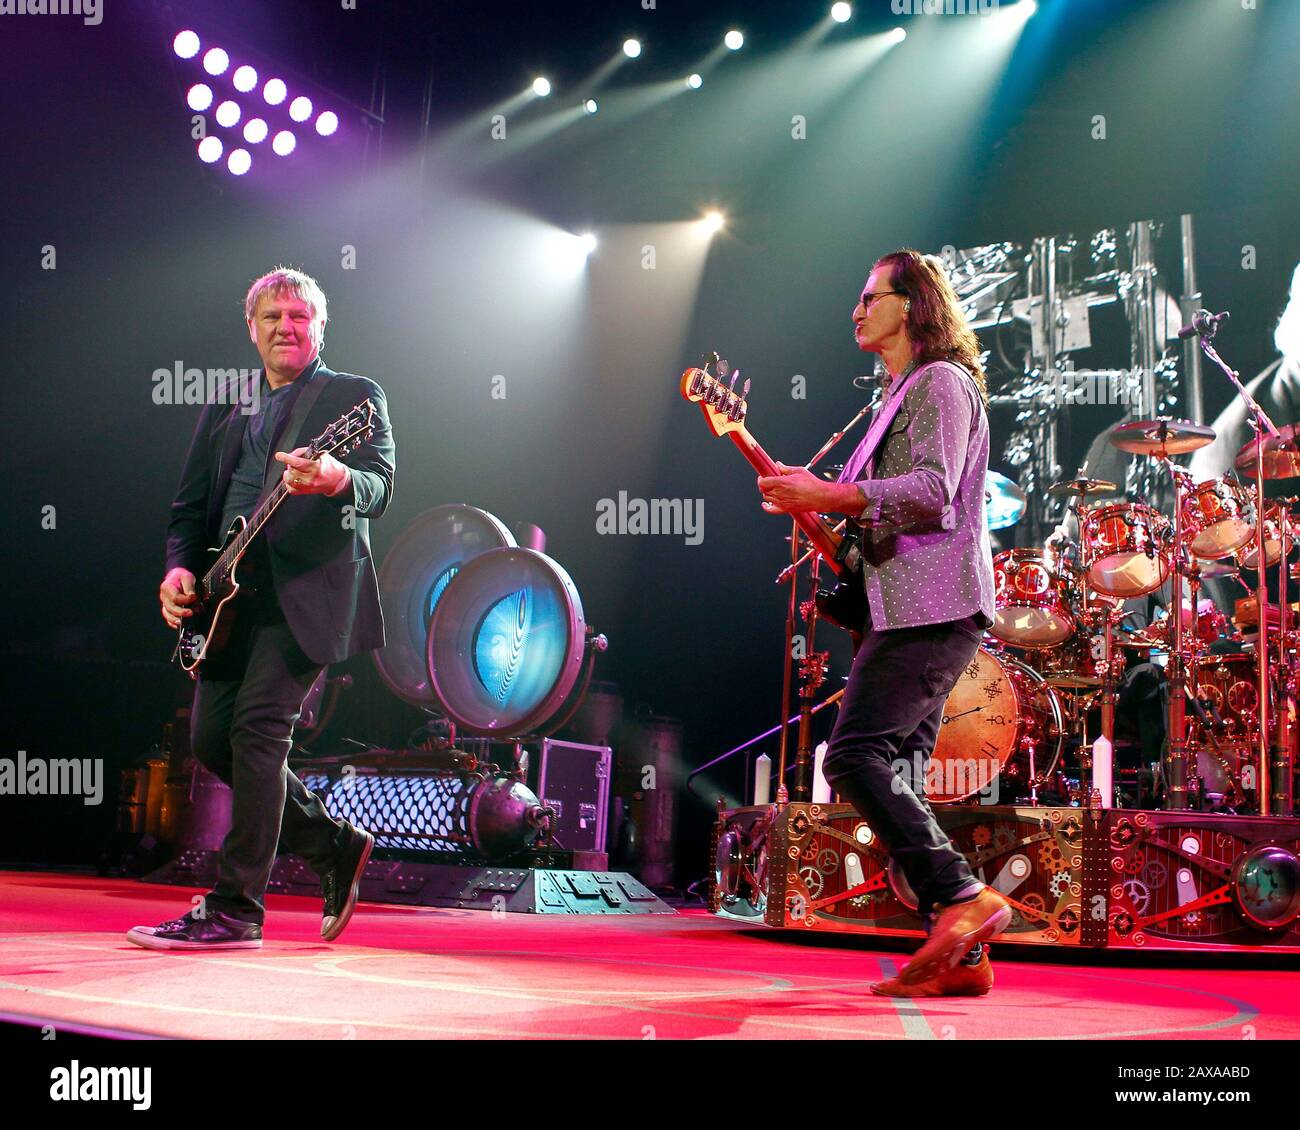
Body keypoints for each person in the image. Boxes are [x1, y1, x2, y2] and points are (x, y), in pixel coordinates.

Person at [757, 249, 1009, 997]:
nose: (857, 310)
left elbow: (934, 491)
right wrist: (821, 511)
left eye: (872, 297)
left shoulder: (939, 381)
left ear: (913, 305)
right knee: (897, 771)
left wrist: (830, 494)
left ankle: (963, 897)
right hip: (908, 603)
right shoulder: (899, 396)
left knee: (852, 756)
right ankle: (962, 962)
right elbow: (879, 514)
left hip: (932, 605)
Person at [128, 267, 395, 951]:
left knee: (258, 730)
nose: (286, 327)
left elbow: (379, 485)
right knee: (211, 741)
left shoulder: (352, 398)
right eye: (272, 316)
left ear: (319, 327)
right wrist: (180, 571)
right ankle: (332, 843)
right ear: (252, 328)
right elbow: (188, 510)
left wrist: (336, 477)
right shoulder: (225, 407)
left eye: (299, 316)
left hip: (304, 598)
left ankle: (235, 909)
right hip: (225, 603)